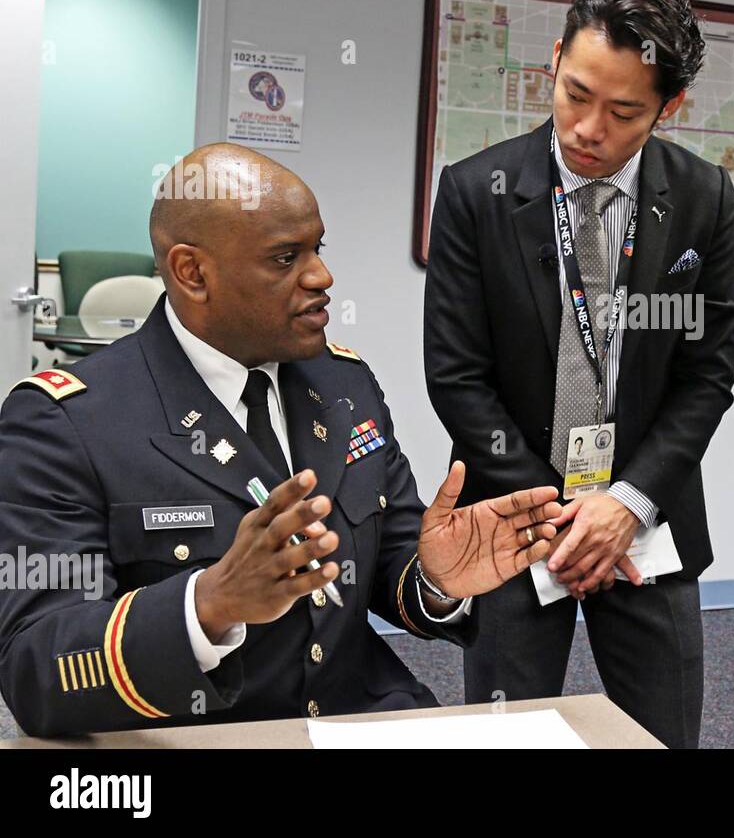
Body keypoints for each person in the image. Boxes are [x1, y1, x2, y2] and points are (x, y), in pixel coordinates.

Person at [0, 144, 565, 737]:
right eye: (284, 257)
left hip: (361, 718)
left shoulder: (343, 383)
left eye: (317, 249)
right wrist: (207, 606)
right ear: (193, 272)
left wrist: (437, 579)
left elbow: (388, 567)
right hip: (198, 733)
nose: (321, 277)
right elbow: (36, 670)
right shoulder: (67, 420)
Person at [424, 0, 734, 748]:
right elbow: (457, 376)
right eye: (574, 93)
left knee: (663, 736)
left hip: (645, 521)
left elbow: (707, 377)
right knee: (502, 735)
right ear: (557, 59)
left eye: (624, 110)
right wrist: (555, 515)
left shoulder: (703, 198)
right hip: (513, 519)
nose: (588, 128)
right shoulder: (476, 193)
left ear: (670, 108)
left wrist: (623, 504)